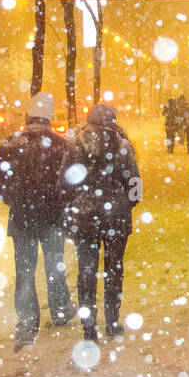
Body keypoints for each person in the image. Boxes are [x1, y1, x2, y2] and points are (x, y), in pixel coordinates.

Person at [0, 91, 73, 352]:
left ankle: (27, 322)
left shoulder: (12, 143)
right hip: (52, 217)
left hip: (22, 217)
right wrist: (61, 202)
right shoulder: (62, 145)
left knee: (24, 272)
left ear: (28, 116)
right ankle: (60, 310)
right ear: (49, 116)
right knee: (54, 265)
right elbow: (71, 182)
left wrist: (11, 198)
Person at [62, 102, 141, 342]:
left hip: (85, 217)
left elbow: (64, 183)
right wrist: (122, 205)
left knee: (86, 273)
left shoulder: (74, 145)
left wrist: (75, 203)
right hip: (116, 218)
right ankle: (113, 323)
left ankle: (89, 328)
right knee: (114, 270)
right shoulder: (123, 146)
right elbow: (134, 185)